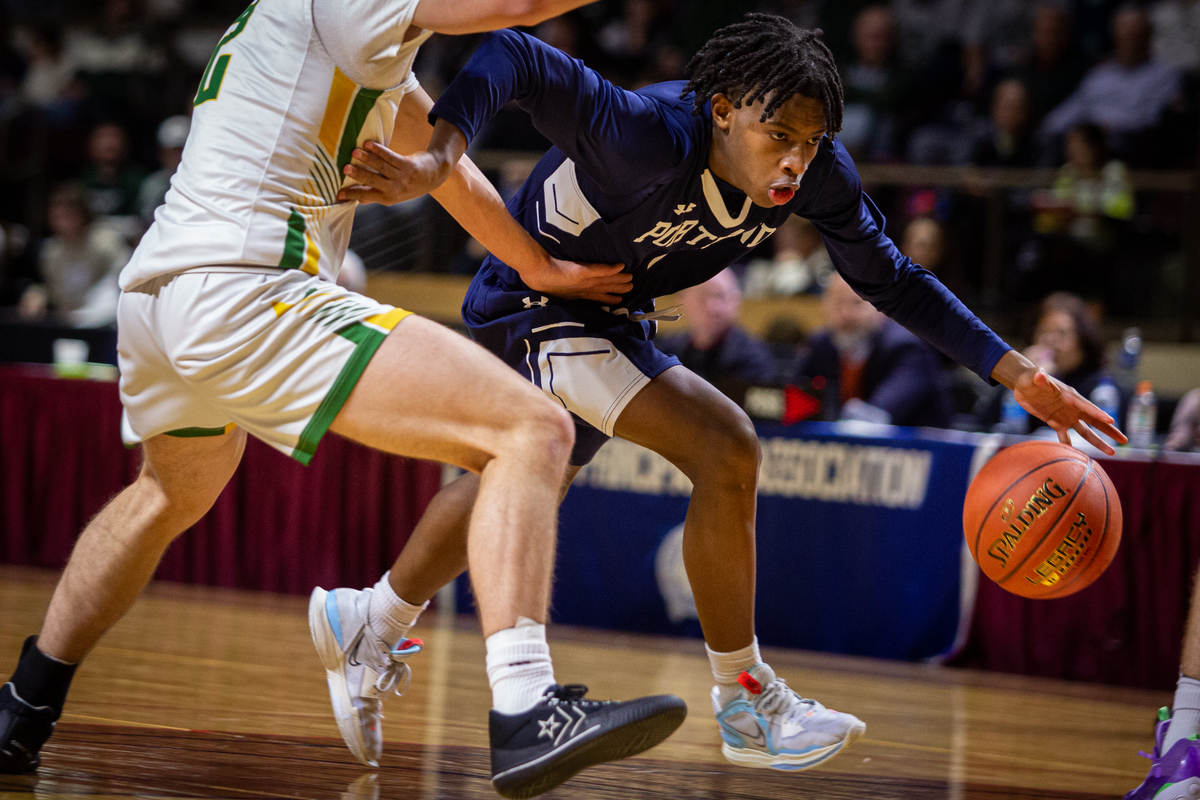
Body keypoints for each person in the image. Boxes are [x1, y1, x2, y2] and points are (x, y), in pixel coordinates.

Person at [325, 15, 1125, 776]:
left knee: (521, 481)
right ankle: (746, 701)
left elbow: (892, 280)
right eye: (779, 138)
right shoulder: (642, 134)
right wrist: (440, 158)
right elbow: (513, 55)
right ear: (722, 112)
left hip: (615, 314)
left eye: (811, 144)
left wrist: (1019, 374)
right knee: (726, 444)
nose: (795, 164)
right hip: (534, 299)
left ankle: (372, 619)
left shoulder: (815, 177)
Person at [0, 2, 691, 796]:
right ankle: (525, 707)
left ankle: (24, 704)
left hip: (161, 294)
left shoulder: (342, 36)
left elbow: (444, 162)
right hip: (246, 284)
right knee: (531, 427)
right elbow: (517, 9)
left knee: (164, 493)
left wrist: (539, 269)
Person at [796, 272, 953, 427]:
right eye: (837, 304)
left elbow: (875, 417)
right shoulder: (820, 345)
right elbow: (792, 402)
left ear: (881, 307)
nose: (845, 314)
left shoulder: (907, 348)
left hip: (916, 449)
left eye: (857, 303)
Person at [1040, 5, 1182, 156]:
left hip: (1129, 147)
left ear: (1148, 37)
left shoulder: (1164, 75)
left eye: (1135, 36)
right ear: (1115, 37)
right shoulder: (1100, 73)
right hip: (1086, 141)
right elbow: (1077, 104)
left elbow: (1152, 118)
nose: (1130, 43)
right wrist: (1049, 126)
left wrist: (1109, 127)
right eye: (1125, 36)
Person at [979, 292, 1125, 433]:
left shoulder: (1100, 385)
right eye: (1043, 332)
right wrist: (1018, 376)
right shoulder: (1021, 380)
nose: (1051, 341)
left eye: (1062, 334)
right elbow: (987, 425)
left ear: (1084, 342)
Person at [18, 182, 130, 327]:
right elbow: (53, 291)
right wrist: (38, 294)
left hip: (107, 322)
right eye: (57, 216)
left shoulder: (105, 240)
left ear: (82, 213)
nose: (62, 222)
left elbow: (121, 280)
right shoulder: (52, 251)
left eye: (67, 215)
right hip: (69, 323)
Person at [656, 268, 777, 397]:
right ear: (682, 300)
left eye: (721, 296)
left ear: (736, 300)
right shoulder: (665, 350)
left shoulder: (754, 357)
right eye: (702, 297)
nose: (712, 308)